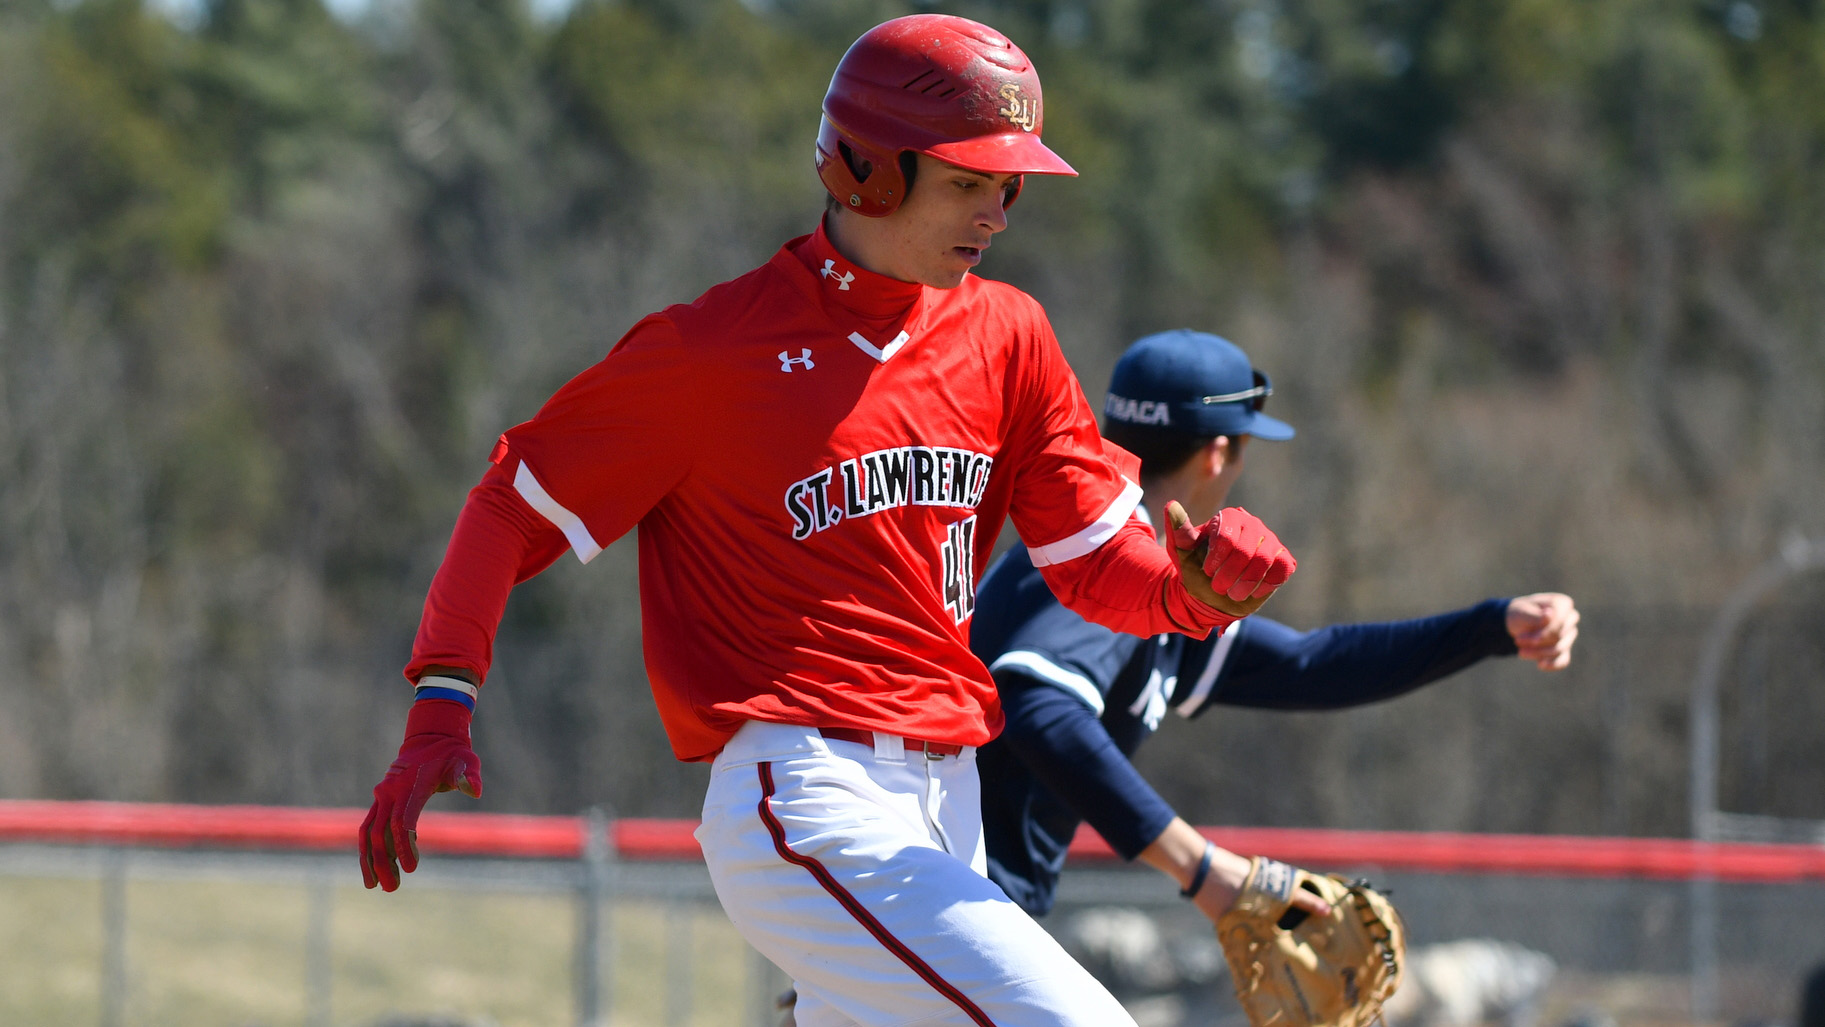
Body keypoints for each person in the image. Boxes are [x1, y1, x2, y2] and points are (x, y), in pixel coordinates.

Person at [356, 17, 1318, 1027]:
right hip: (809, 793)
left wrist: (1194, 593)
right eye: (968, 182)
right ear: (867, 170)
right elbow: (511, 503)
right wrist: (442, 700)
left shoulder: (1008, 336)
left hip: (949, 807)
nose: (995, 214)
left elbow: (1095, 563)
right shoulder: (711, 354)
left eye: (1009, 187)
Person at [969, 328, 1582, 922]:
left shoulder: (1133, 566)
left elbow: (1309, 666)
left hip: (972, 891)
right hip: (961, 888)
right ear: (1217, 454)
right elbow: (1037, 704)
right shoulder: (1111, 557)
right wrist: (1203, 868)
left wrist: (1491, 627)